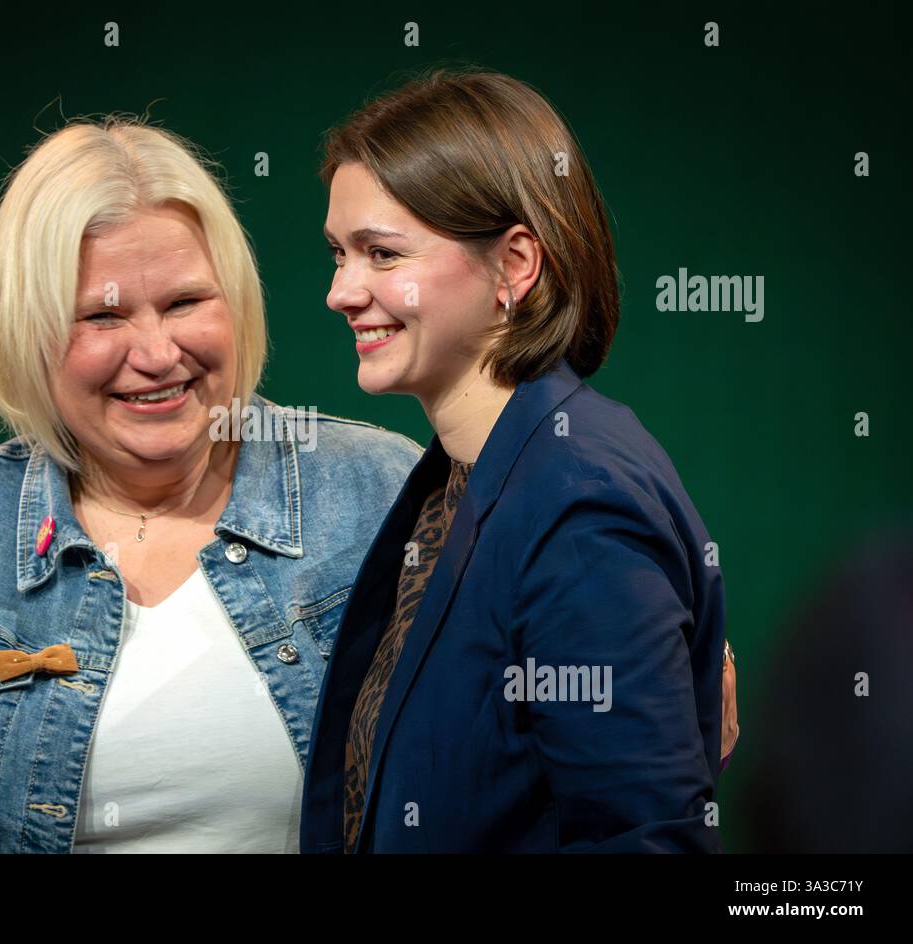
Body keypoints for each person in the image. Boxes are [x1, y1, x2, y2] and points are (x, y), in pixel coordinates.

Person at [0, 115, 421, 853]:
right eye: (102, 316)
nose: (156, 353)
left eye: (184, 303)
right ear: (29, 333)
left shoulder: (386, 495)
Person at [301, 68, 733, 853]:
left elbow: (646, 843)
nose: (342, 290)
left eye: (382, 254)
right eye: (339, 253)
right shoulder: (460, 479)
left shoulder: (579, 501)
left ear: (514, 267)